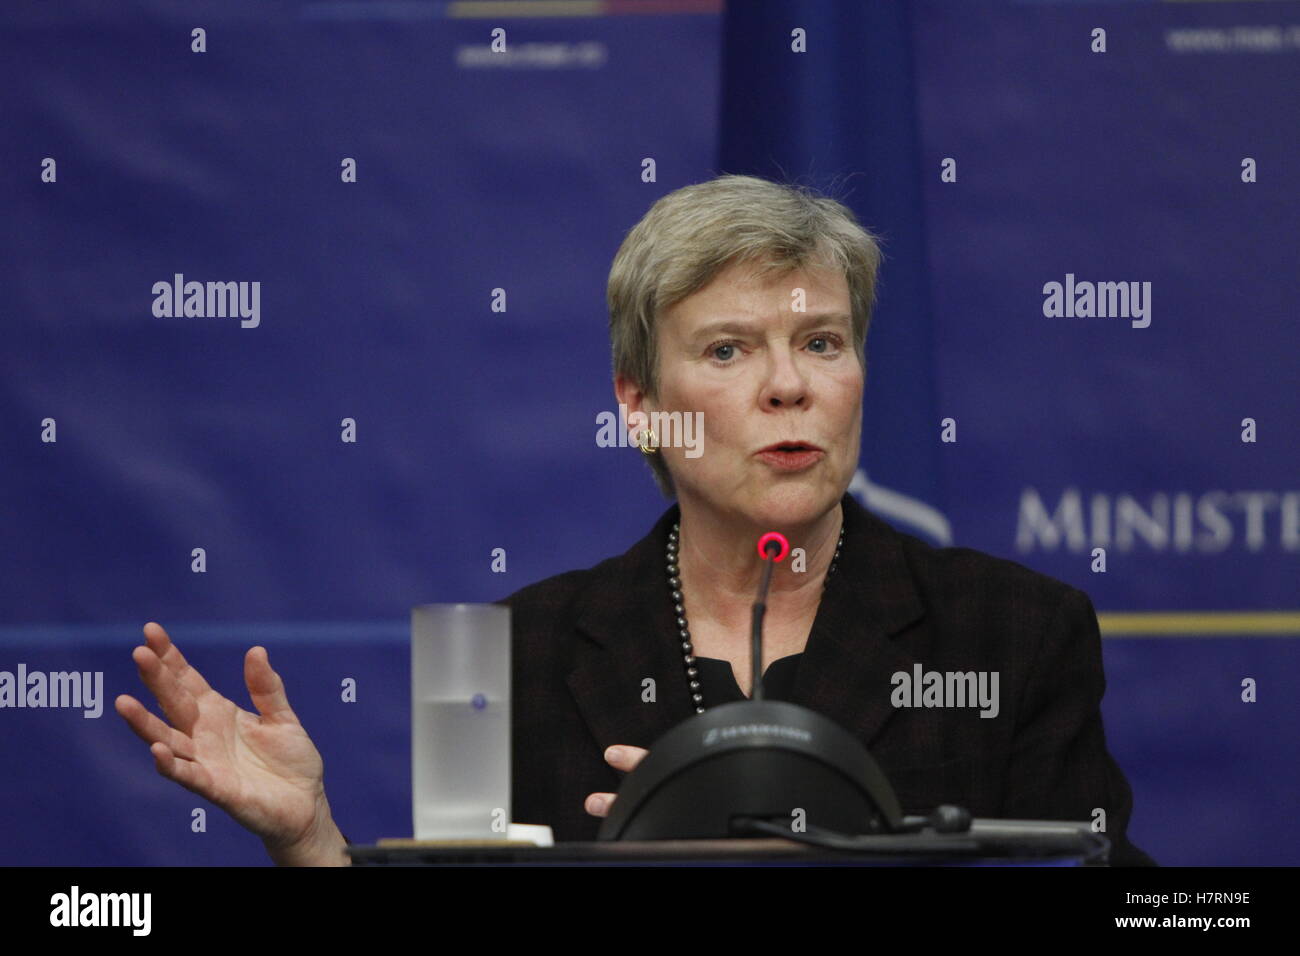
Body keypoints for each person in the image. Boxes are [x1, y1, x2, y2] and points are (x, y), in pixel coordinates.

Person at [115, 174, 1155, 866]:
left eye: (824, 342)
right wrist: (314, 844)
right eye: (728, 350)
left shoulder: (1015, 632)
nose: (789, 386)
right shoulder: (507, 656)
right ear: (637, 404)